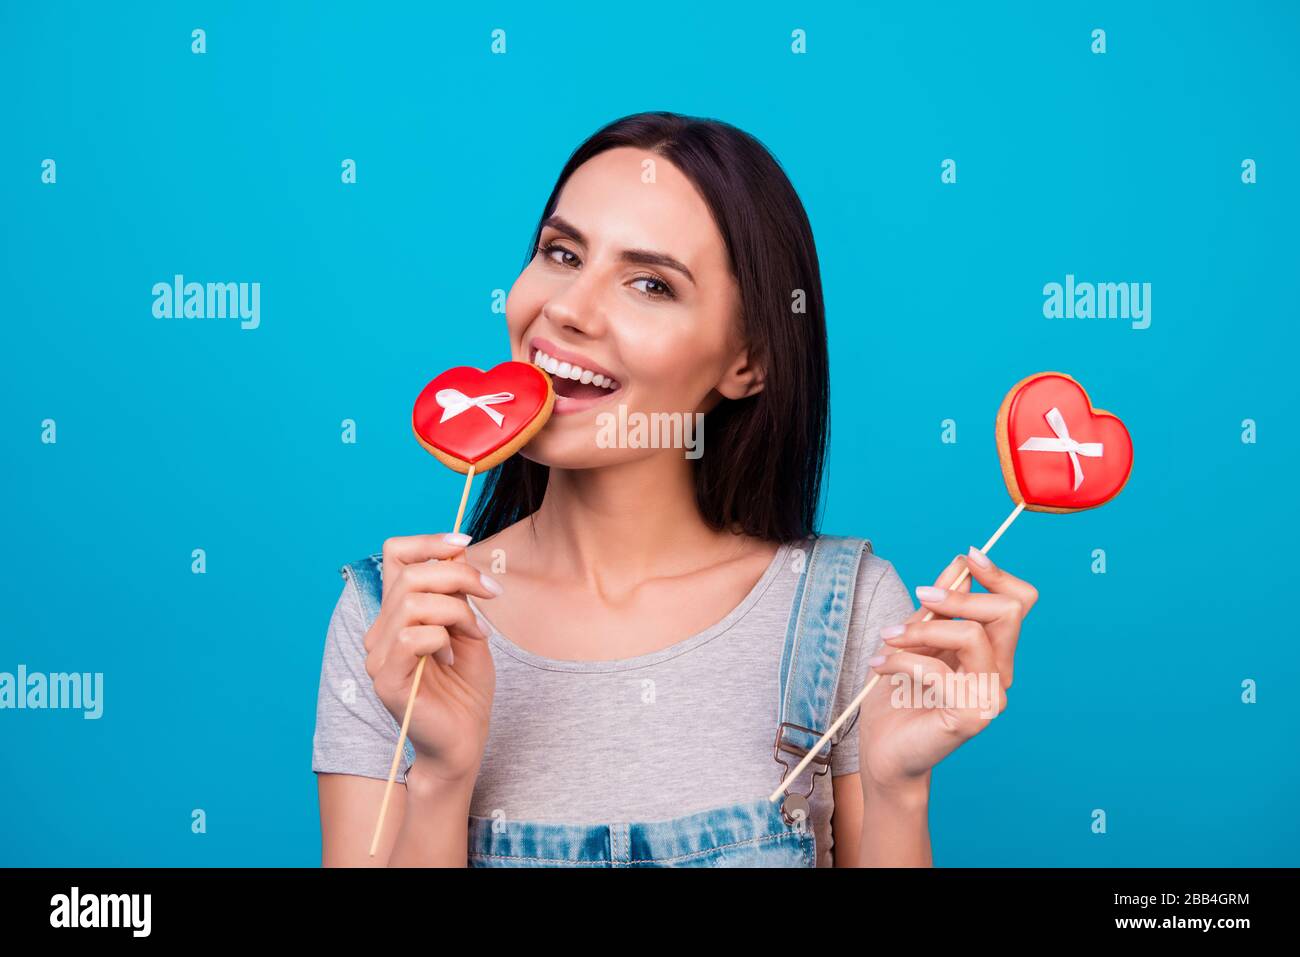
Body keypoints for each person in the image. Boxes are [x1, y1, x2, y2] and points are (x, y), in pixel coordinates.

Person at [313, 111, 1037, 867]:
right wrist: (441, 774)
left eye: (650, 283)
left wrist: (897, 790)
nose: (567, 309)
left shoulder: (851, 614)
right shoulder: (398, 622)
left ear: (748, 360)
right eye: (562, 253)